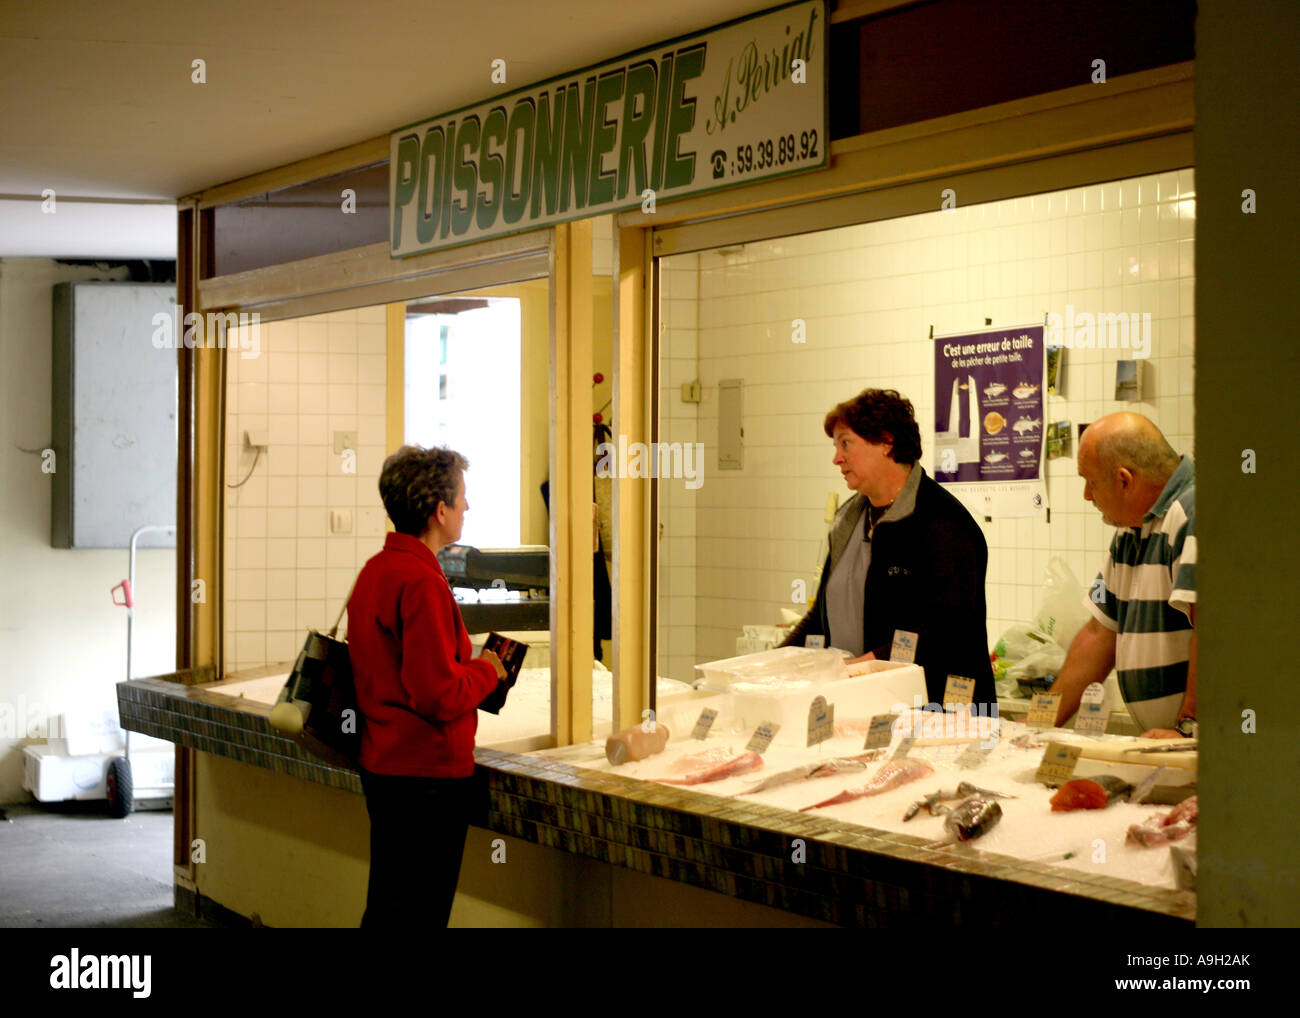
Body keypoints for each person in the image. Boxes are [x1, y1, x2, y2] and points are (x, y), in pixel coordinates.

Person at [347, 445, 507, 928]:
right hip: (426, 777)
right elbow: (436, 695)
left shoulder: (377, 569)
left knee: (391, 906)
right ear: (439, 511)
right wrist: (488, 670)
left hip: (384, 764)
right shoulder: (421, 581)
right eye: (461, 499)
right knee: (420, 913)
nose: (467, 508)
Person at [782, 389, 996, 710]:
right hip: (869, 702)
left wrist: (865, 666)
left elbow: (944, 629)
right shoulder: (849, 520)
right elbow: (819, 617)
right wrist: (768, 665)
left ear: (886, 442)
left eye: (845, 443)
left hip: (942, 710)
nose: (837, 458)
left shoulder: (944, 523)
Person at [1049, 413, 1196, 738]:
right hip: (1168, 744)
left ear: (1124, 480)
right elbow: (1097, 636)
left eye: (1090, 481)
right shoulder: (1131, 532)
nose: (1087, 495)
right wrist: (1039, 722)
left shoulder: (1192, 514)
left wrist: (1189, 725)